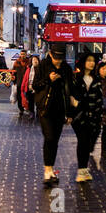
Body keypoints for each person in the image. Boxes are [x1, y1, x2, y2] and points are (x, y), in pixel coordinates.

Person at [32, 44, 73, 184]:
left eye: (60, 58)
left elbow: (69, 91)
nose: (58, 61)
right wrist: (48, 79)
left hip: (60, 110)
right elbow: (35, 85)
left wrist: (69, 113)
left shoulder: (66, 69)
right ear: (50, 54)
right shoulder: (43, 66)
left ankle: (50, 169)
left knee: (54, 140)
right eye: (56, 58)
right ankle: (47, 170)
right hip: (45, 108)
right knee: (49, 137)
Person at [69, 52, 106, 182]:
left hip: (94, 117)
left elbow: (98, 99)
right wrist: (73, 110)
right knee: (83, 140)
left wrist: (98, 114)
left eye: (93, 61)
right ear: (83, 62)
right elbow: (72, 96)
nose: (92, 63)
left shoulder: (96, 80)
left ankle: (84, 169)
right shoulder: (76, 79)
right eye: (89, 60)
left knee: (88, 142)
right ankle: (82, 170)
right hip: (79, 117)